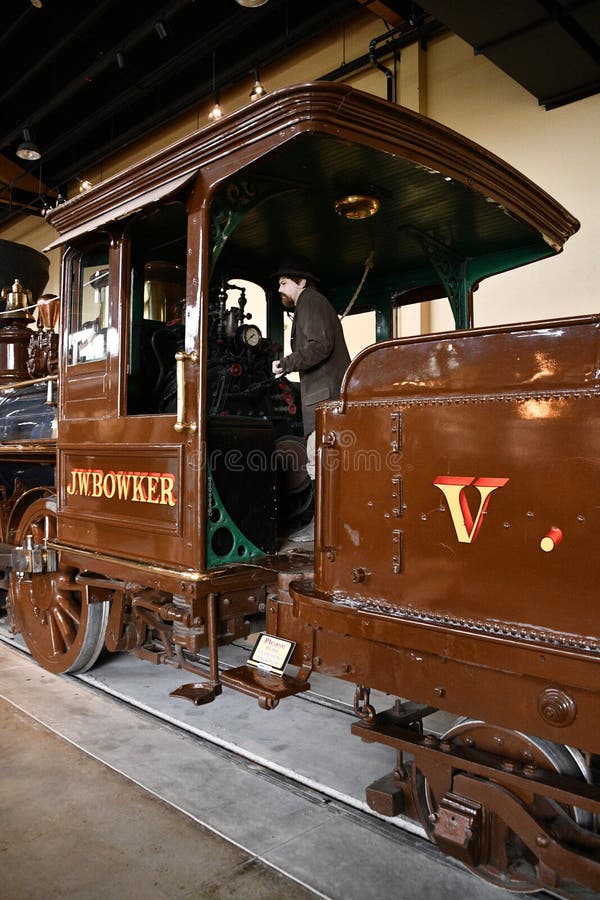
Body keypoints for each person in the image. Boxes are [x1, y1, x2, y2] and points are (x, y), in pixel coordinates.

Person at [271, 254, 350, 541]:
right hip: (322, 395)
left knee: (321, 462)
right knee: (321, 461)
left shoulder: (310, 302)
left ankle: (324, 528)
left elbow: (320, 346)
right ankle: (326, 526)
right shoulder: (309, 304)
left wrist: (286, 364)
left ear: (301, 282)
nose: (280, 289)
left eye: (283, 283)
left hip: (324, 397)